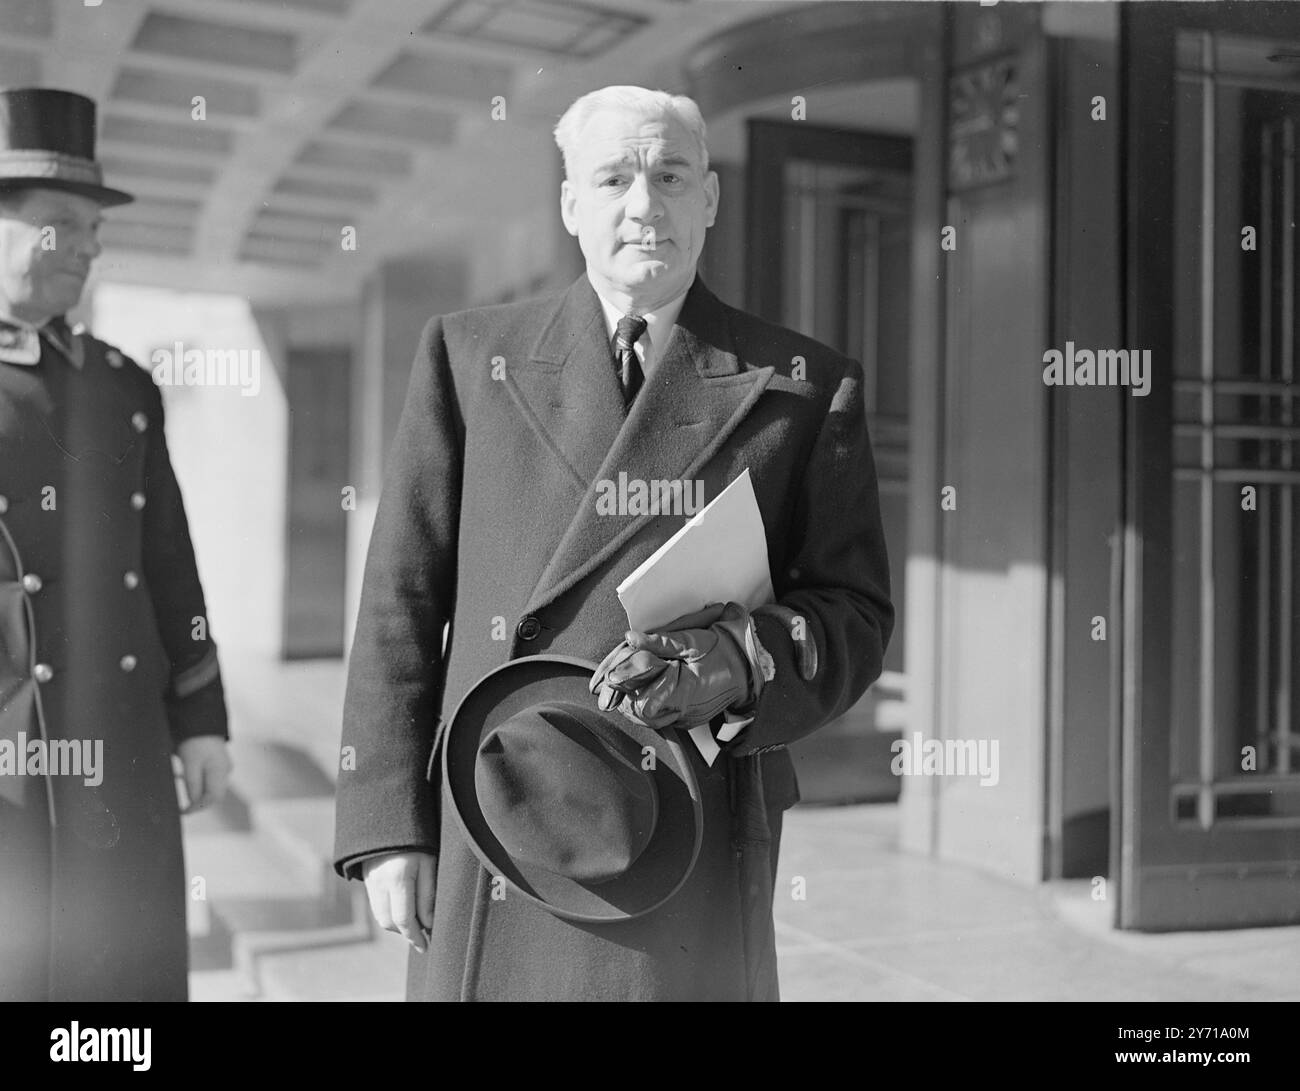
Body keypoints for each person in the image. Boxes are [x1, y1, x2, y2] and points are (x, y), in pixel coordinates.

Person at [333, 84, 893, 1001]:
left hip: (684, 828)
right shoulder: (471, 359)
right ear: (571, 204)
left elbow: (855, 616)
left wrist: (742, 659)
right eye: (615, 177)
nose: (645, 204)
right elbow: (401, 602)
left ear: (708, 199)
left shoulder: (801, 384)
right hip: (498, 818)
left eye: (671, 175)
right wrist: (387, 825)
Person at [0, 88, 231, 1001]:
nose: (89, 248)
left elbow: (169, 557)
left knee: (118, 991)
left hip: (124, 738)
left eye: (95, 230)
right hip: (11, 755)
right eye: (64, 224)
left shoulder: (122, 385)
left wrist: (202, 718)